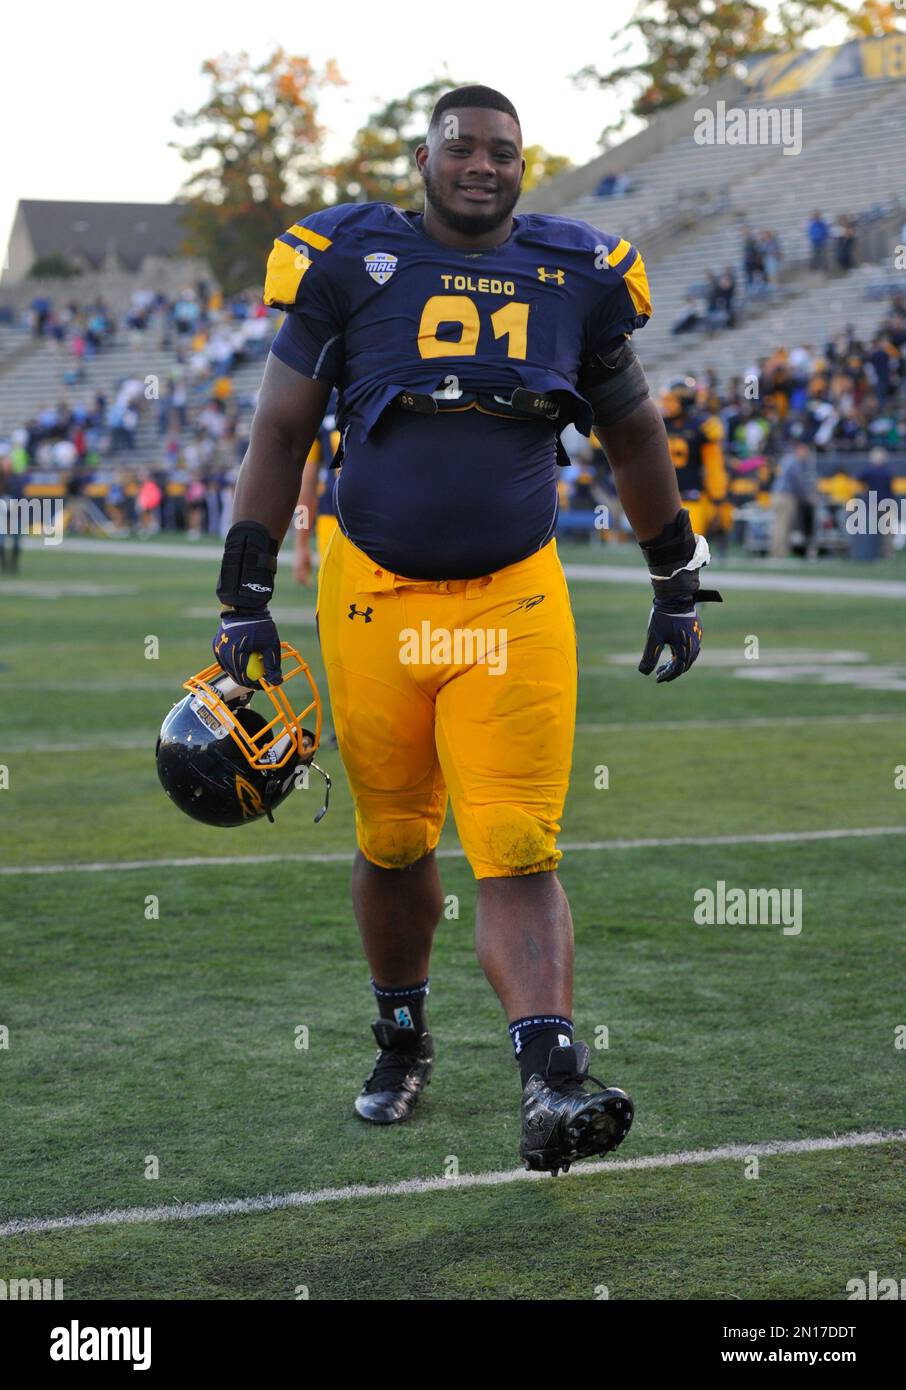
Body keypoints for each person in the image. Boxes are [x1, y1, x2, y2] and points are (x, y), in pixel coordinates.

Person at [209, 85, 721, 1176]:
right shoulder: (351, 262)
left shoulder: (575, 276)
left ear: (524, 165)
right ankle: (401, 1037)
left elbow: (633, 434)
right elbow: (283, 426)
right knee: (394, 840)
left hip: (513, 600)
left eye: (502, 150)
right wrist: (242, 594)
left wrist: (674, 569)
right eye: (461, 146)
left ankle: (552, 1079)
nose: (482, 164)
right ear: (425, 158)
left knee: (518, 843)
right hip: (372, 597)